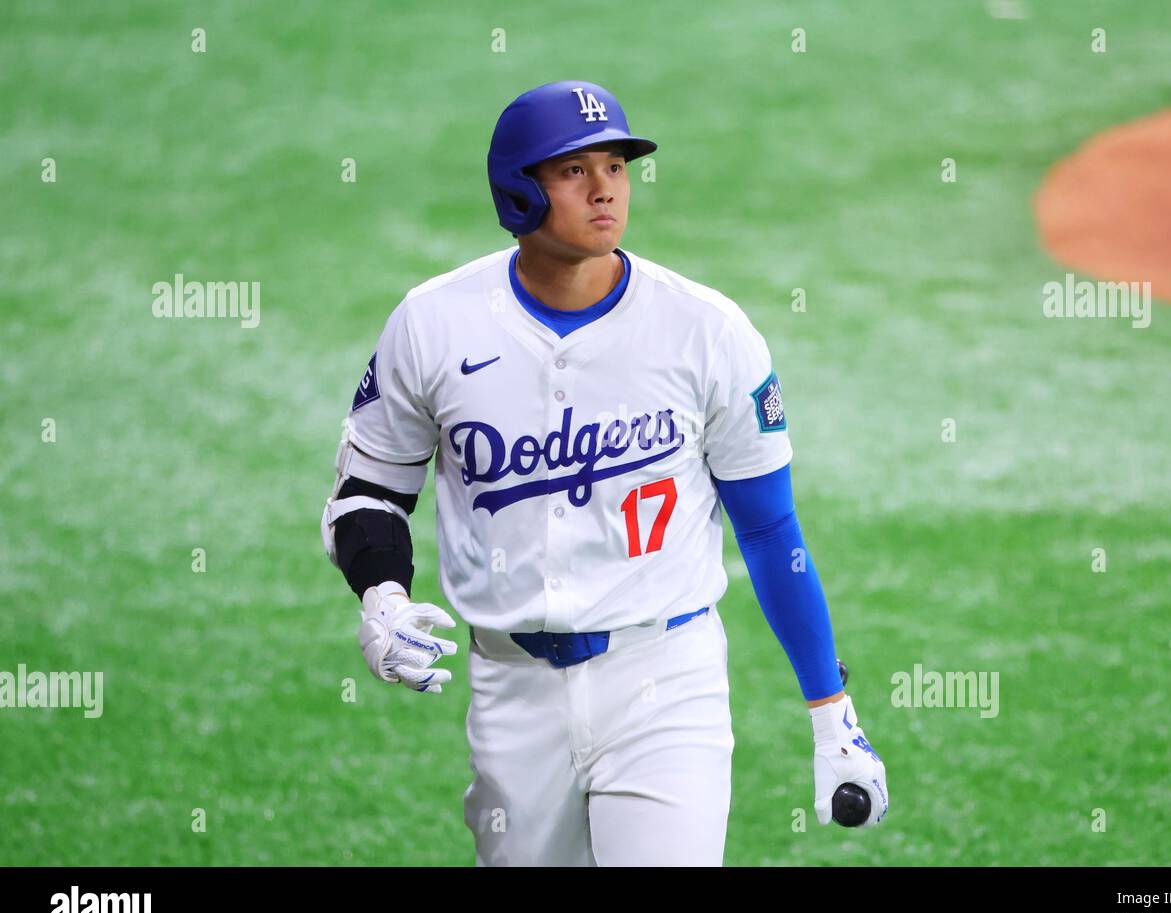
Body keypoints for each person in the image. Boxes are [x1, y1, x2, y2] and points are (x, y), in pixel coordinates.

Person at [320, 80, 888, 866]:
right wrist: (380, 595)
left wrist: (832, 711)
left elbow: (768, 528)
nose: (605, 189)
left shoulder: (706, 331)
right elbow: (371, 491)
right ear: (518, 192)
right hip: (510, 686)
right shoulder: (433, 323)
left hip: (666, 679)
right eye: (574, 170)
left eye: (616, 166)